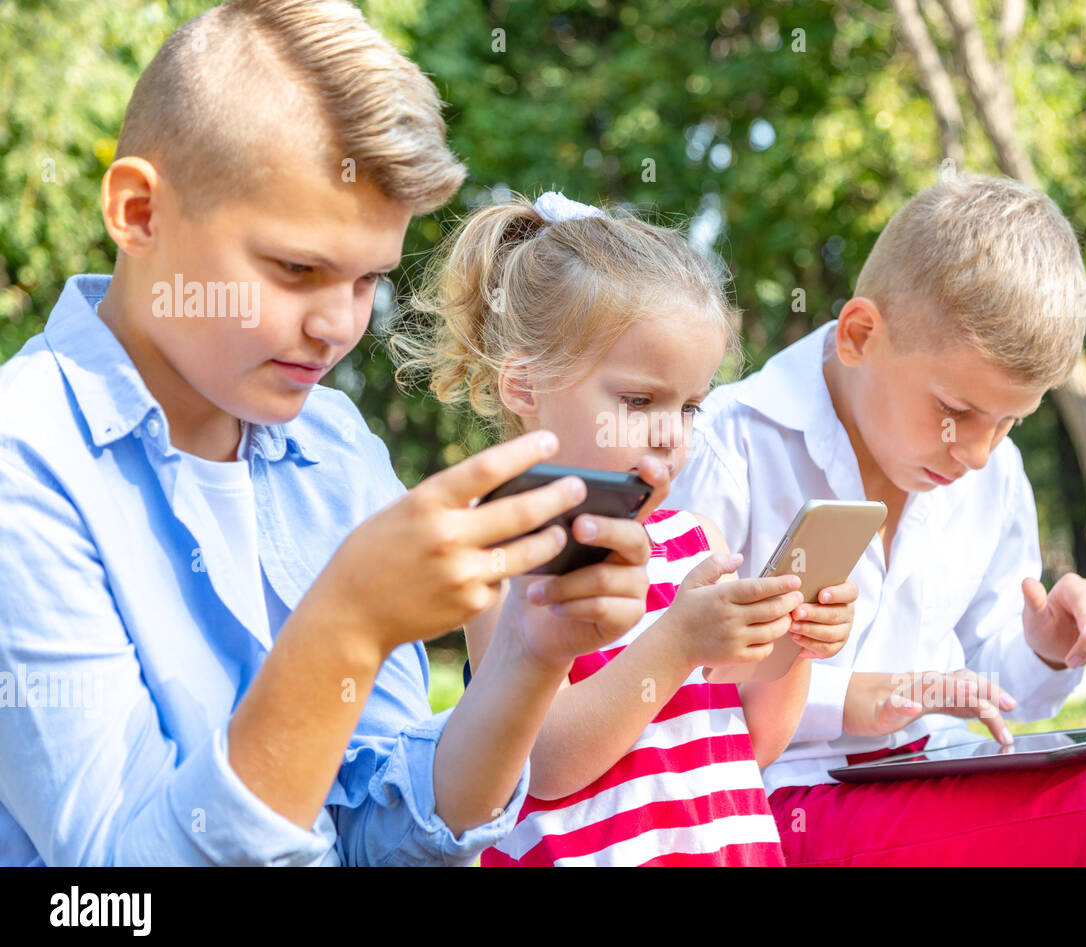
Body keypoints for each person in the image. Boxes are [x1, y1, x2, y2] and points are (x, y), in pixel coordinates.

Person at [0, 0, 661, 866]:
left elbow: (380, 833)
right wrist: (347, 626)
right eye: (296, 269)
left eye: (367, 280)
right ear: (138, 211)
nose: (337, 327)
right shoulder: (25, 463)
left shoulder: (334, 442)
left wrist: (530, 658)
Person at [664, 173, 1086, 865]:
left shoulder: (995, 471)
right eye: (955, 412)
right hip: (774, 803)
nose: (975, 453)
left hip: (936, 774)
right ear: (860, 334)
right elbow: (664, 685)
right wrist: (867, 697)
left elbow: (994, 689)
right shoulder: (725, 447)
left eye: (1009, 422)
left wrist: (1044, 647)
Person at [389, 190, 860, 865]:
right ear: (524, 386)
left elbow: (750, 744)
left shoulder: (697, 543)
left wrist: (794, 646)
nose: (671, 434)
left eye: (690, 406)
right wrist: (678, 643)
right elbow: (546, 763)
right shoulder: (507, 548)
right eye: (639, 401)